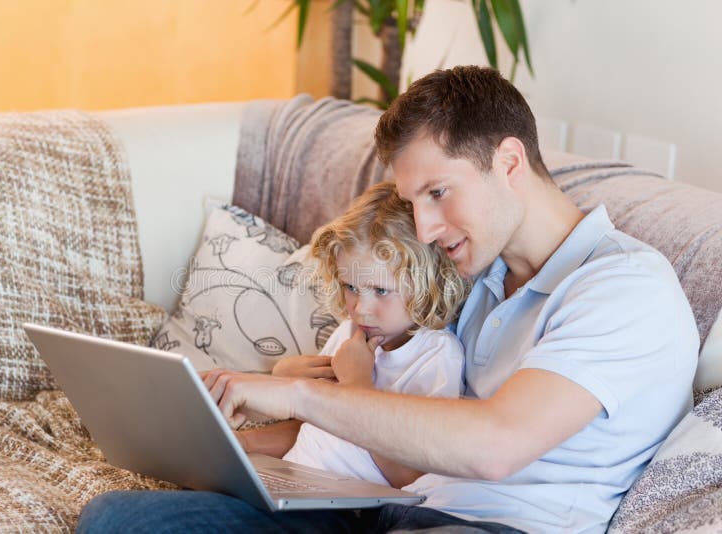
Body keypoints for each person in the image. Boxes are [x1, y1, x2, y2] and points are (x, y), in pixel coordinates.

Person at [76, 66, 699, 533]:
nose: (426, 228)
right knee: (117, 519)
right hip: (378, 508)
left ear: (509, 161)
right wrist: (275, 384)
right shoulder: (472, 278)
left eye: (438, 192)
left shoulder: (623, 288)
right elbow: (389, 380)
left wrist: (301, 395)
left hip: (492, 528)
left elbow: (495, 446)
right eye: (414, 202)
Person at [272, 181, 467, 489]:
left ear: (428, 283)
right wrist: (284, 379)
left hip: (342, 506)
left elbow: (409, 477)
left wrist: (357, 385)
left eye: (380, 290)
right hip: (293, 480)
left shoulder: (436, 356)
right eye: (351, 287)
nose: (361, 309)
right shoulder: (350, 333)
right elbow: (311, 427)